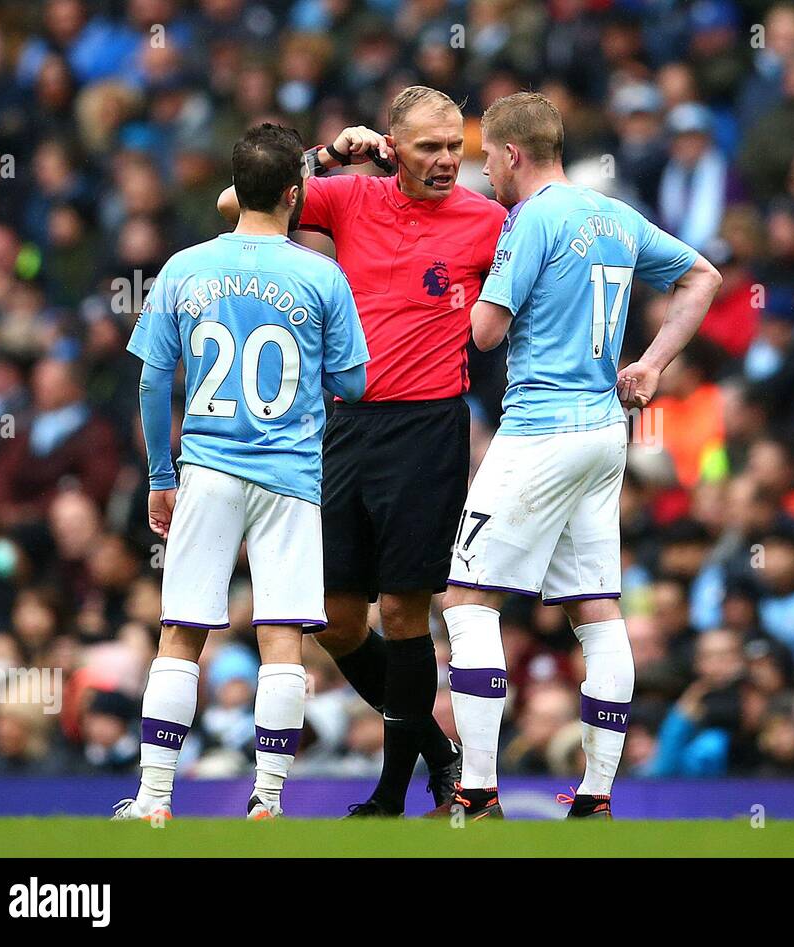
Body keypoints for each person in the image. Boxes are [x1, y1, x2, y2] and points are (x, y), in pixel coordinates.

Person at [217, 86, 507, 816]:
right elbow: (233, 205)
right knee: (339, 621)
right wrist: (322, 155)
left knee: (407, 614)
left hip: (427, 427)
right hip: (346, 426)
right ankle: (441, 759)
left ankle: (390, 793)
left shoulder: (487, 220)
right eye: (430, 148)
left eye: (454, 147)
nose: (446, 161)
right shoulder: (349, 197)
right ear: (391, 147)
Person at [440, 91, 721, 819]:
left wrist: (457, 286)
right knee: (596, 610)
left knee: (468, 599)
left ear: (509, 154)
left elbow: (486, 333)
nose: (488, 178)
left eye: (487, 162)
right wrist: (653, 362)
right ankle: (595, 796)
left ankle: (474, 791)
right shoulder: (613, 214)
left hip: (540, 427)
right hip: (604, 431)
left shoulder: (530, 218)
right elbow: (704, 277)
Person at [114, 123, 369, 822]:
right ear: (296, 192)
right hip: (290, 474)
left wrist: (160, 476)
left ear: (237, 186)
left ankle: (155, 798)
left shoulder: (183, 267)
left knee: (181, 631)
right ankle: (268, 799)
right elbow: (352, 379)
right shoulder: (321, 274)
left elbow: (152, 379)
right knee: (282, 634)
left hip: (207, 467)